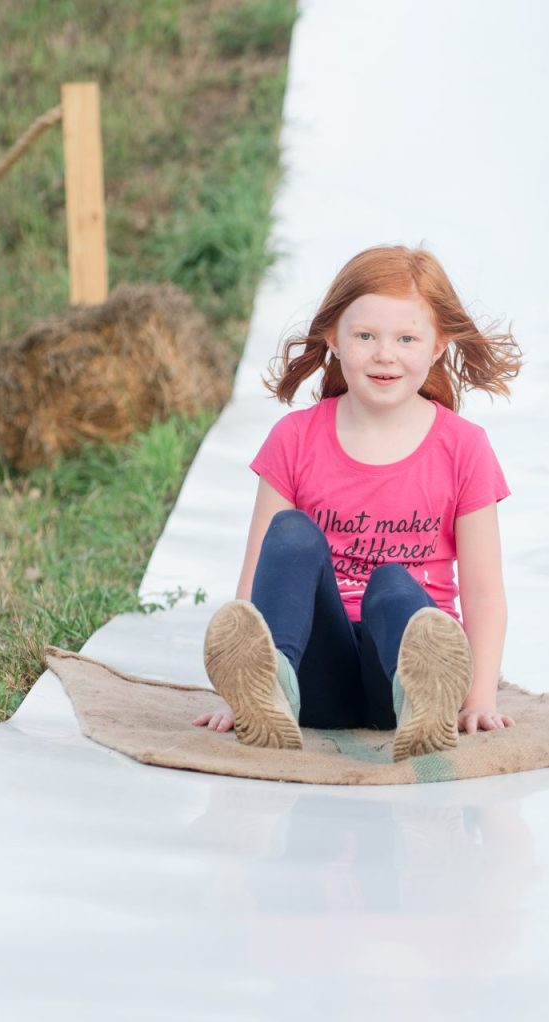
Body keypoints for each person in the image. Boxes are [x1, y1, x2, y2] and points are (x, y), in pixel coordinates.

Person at [195, 244, 521, 761]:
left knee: (394, 583)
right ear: (334, 338)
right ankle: (269, 685)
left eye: (406, 338)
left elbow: (484, 596)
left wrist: (479, 698)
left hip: (403, 672)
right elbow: (261, 570)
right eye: (365, 335)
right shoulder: (295, 438)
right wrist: (236, 688)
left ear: (438, 344)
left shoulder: (464, 448)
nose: (384, 354)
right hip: (314, 681)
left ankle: (425, 702)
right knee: (290, 533)